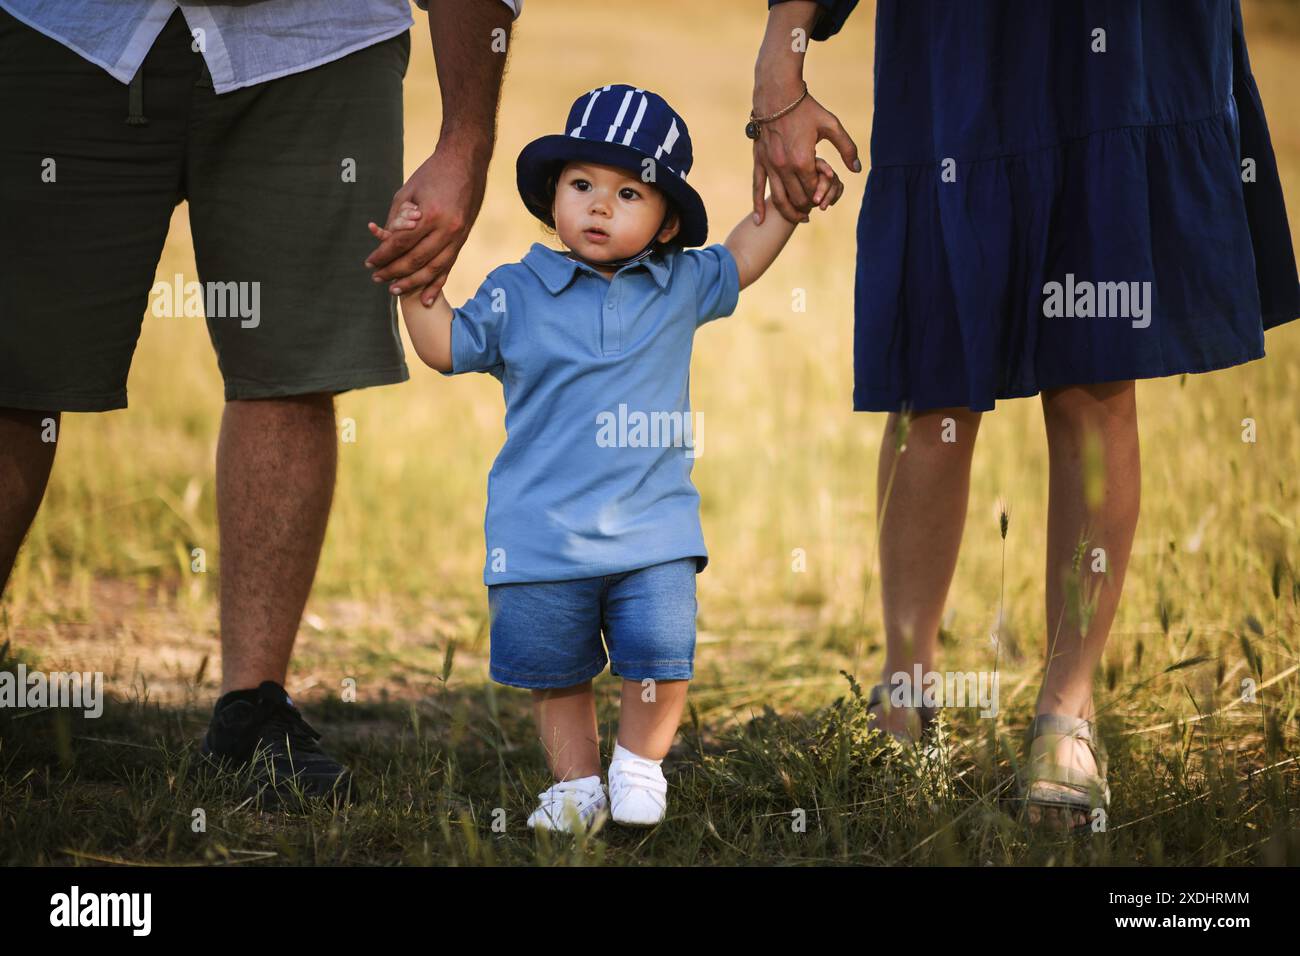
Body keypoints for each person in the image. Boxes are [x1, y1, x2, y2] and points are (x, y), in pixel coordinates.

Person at [751, 0, 1299, 831]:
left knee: (1097, 368)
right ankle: (906, 693)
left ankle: (1065, 716)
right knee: (930, 380)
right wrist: (780, 57)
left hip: (1126, 37)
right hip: (959, 33)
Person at [0, 0, 520, 806]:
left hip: (319, 38)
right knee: (12, 370)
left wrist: (466, 139)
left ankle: (253, 714)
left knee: (292, 365)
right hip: (60, 27)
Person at [378, 84, 840, 830]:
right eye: (582, 185)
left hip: (652, 531)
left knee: (660, 654)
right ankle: (575, 787)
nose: (599, 206)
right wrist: (414, 281)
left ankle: (638, 765)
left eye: (630, 193)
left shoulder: (680, 284)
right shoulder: (518, 290)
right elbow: (445, 347)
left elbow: (745, 255)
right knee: (554, 672)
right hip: (539, 535)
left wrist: (790, 202)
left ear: (665, 225)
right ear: (554, 196)